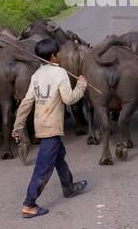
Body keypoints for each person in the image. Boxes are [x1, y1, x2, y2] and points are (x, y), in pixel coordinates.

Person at [12, 37, 88, 218]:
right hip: (51, 128)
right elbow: (69, 99)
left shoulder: (37, 74)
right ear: (53, 56)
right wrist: (81, 85)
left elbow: (26, 102)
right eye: (59, 53)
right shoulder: (60, 73)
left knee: (59, 157)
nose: (60, 55)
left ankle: (68, 187)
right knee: (43, 167)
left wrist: (18, 126)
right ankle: (29, 204)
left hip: (41, 125)